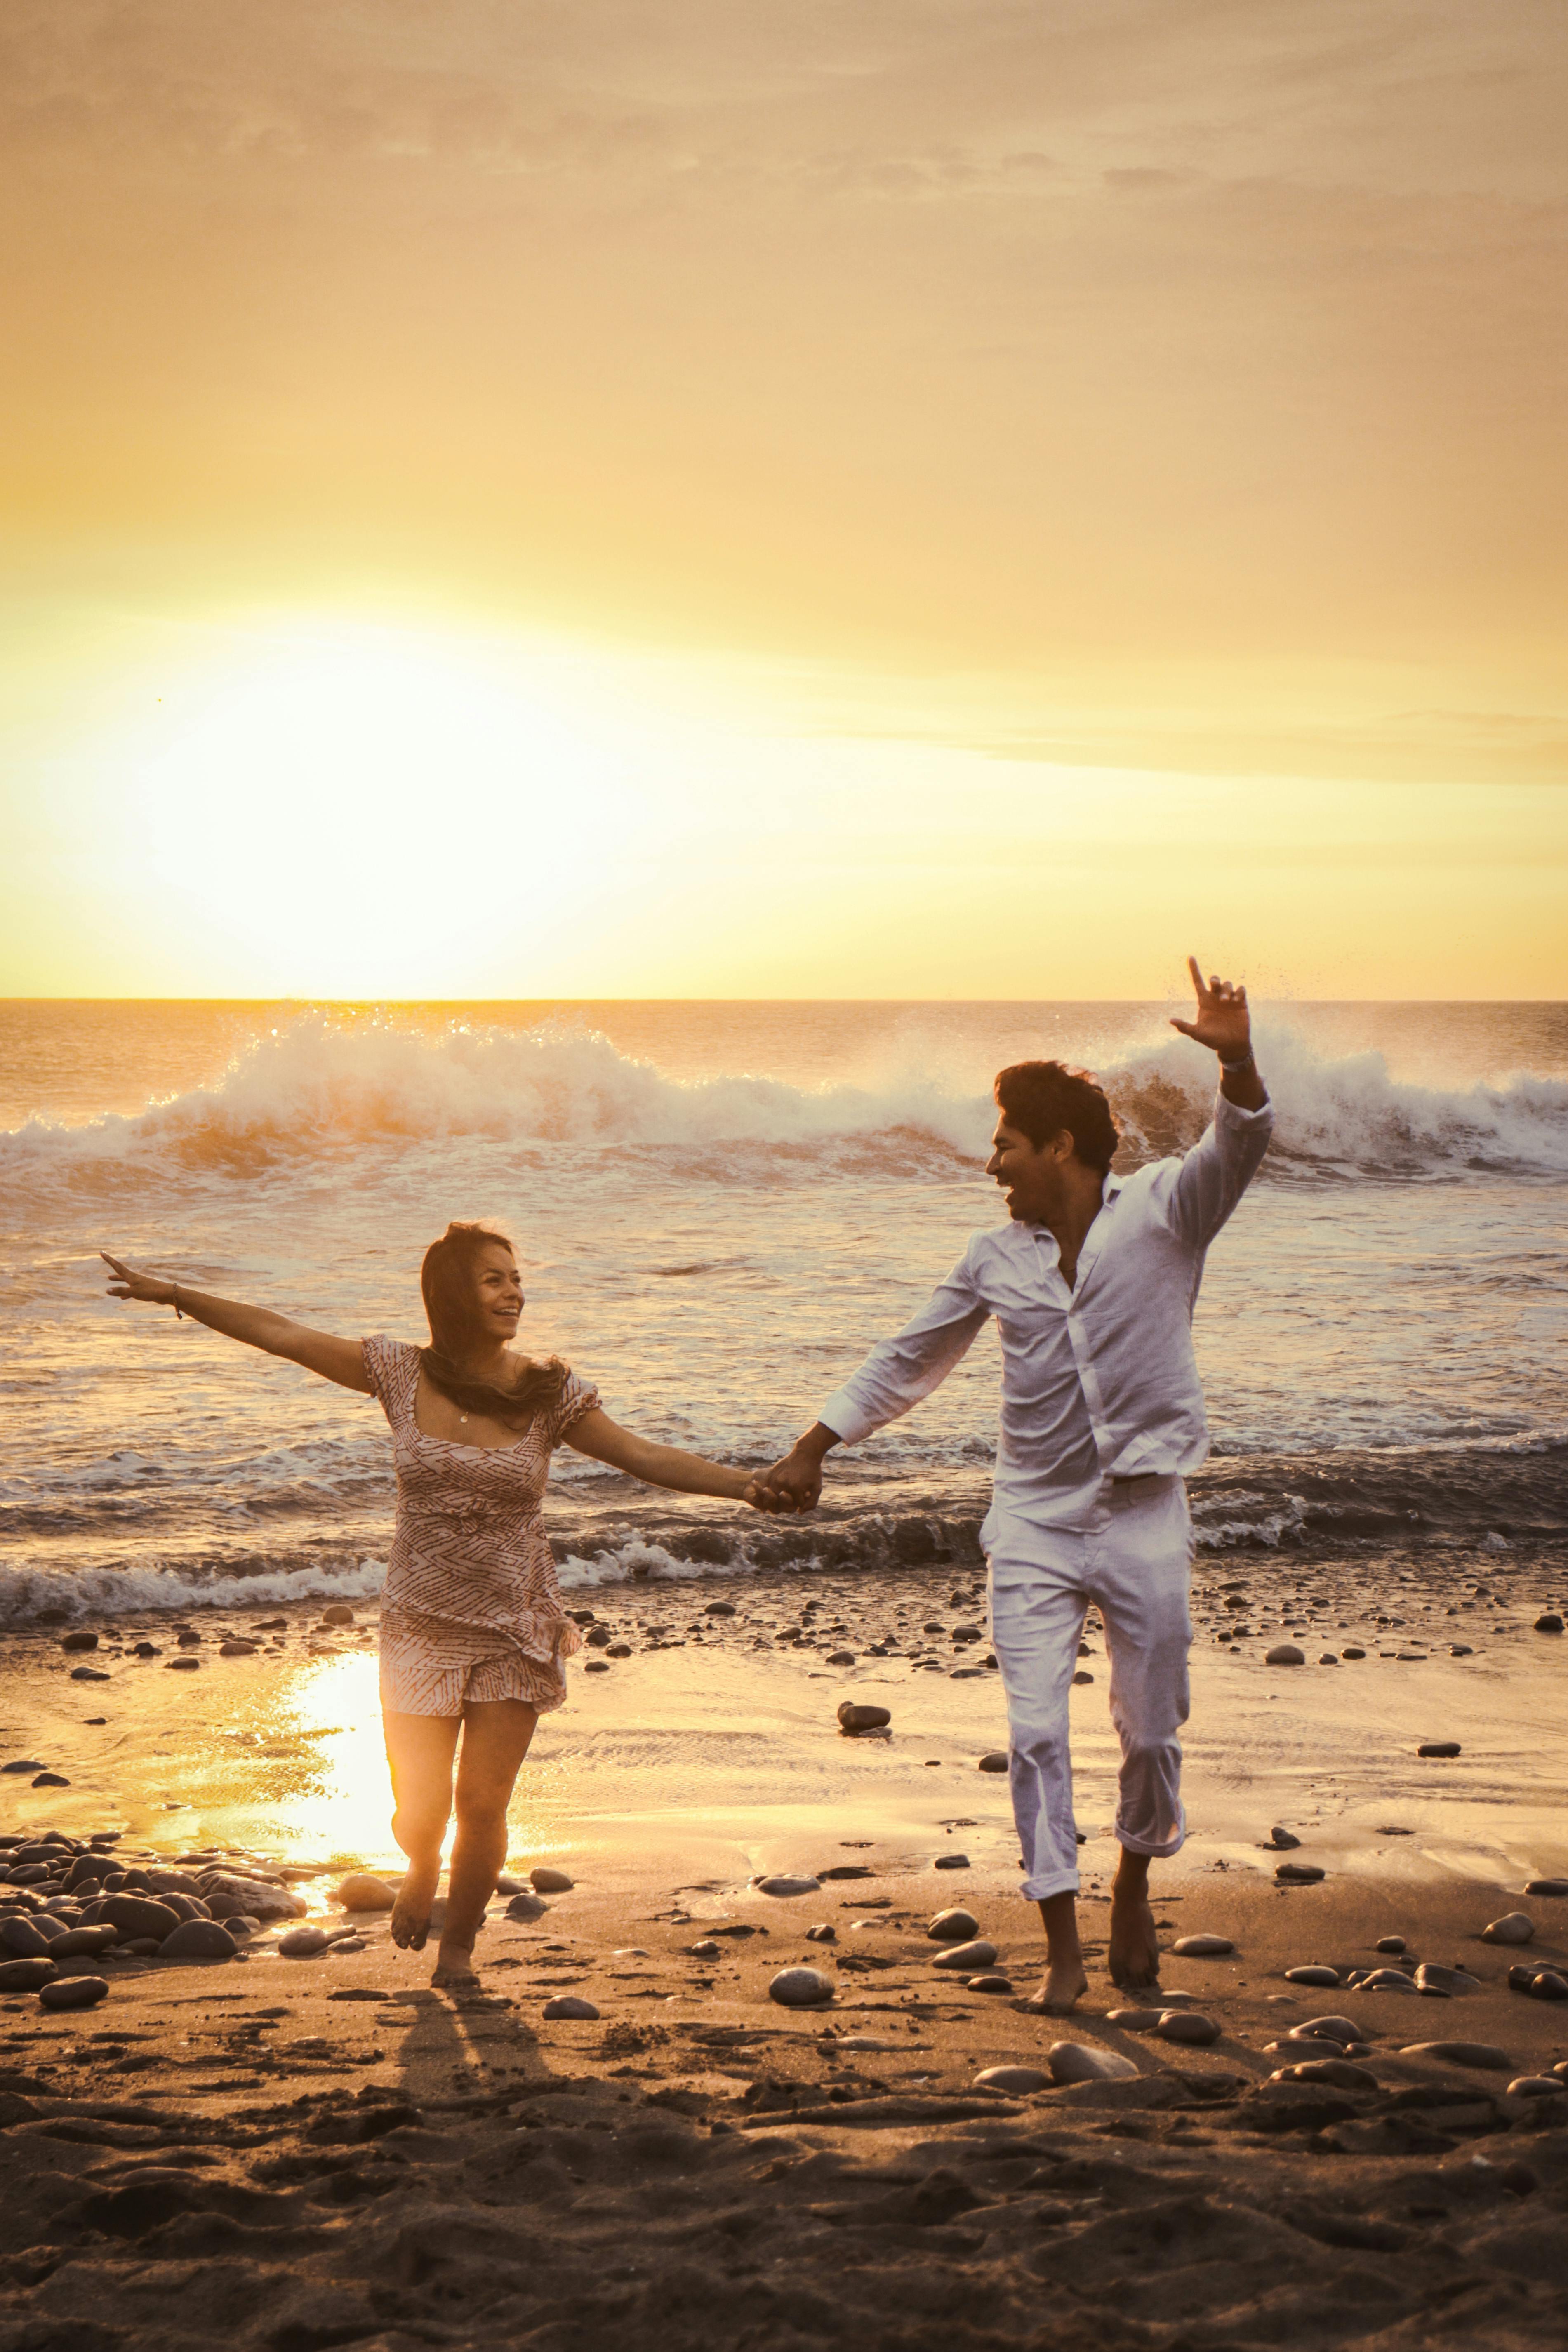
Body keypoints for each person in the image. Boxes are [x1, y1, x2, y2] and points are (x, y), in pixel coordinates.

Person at [758, 960, 1273, 2013]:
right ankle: (1060, 1945)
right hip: (1032, 1520)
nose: (990, 1161)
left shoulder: (1166, 1211)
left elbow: (1240, 1143)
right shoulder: (992, 1256)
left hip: (1142, 1513)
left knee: (1152, 1731)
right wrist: (813, 1446)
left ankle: (1133, 1881)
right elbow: (908, 1356)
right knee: (1035, 1733)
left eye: (1005, 1143)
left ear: (1060, 1147)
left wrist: (1234, 1060)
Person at [100, 1220, 776, 1984]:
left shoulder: (547, 1393)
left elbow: (642, 1455)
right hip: (419, 1621)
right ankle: (421, 1865)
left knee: (482, 1805)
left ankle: (459, 1947)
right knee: (419, 1812)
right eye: (494, 1280)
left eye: (516, 1279)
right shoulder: (397, 1372)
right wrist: (176, 1294)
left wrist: (747, 1487)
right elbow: (282, 1335)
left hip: (514, 1621)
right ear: (453, 1293)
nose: (514, 1293)